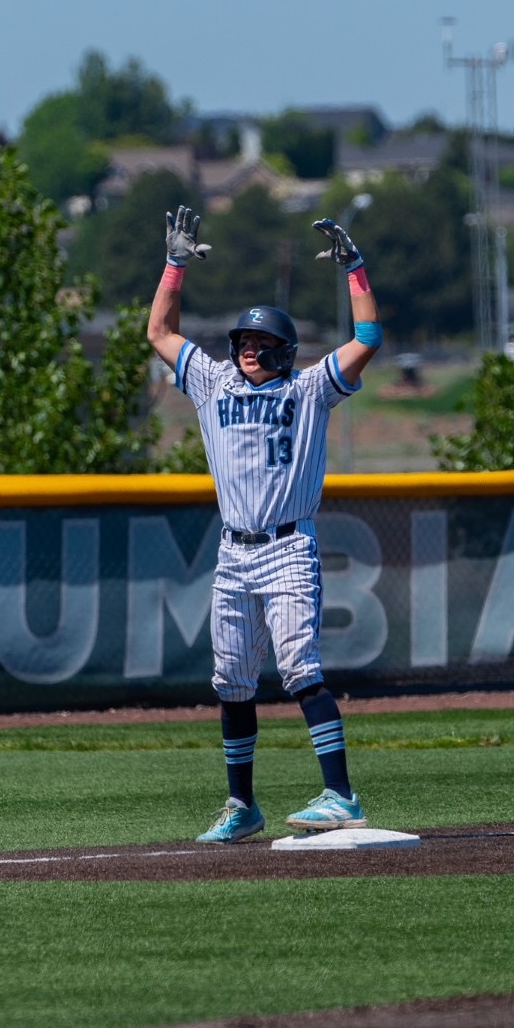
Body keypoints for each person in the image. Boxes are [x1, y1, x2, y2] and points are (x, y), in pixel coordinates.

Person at [146, 206, 381, 843]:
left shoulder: (309, 392)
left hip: (285, 547)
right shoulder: (214, 383)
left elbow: (368, 340)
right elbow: (160, 332)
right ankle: (241, 805)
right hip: (233, 552)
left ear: (281, 351)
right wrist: (174, 266)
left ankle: (340, 794)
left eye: (259, 344)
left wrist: (355, 270)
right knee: (231, 680)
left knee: (301, 667)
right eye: (243, 343)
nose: (248, 351)